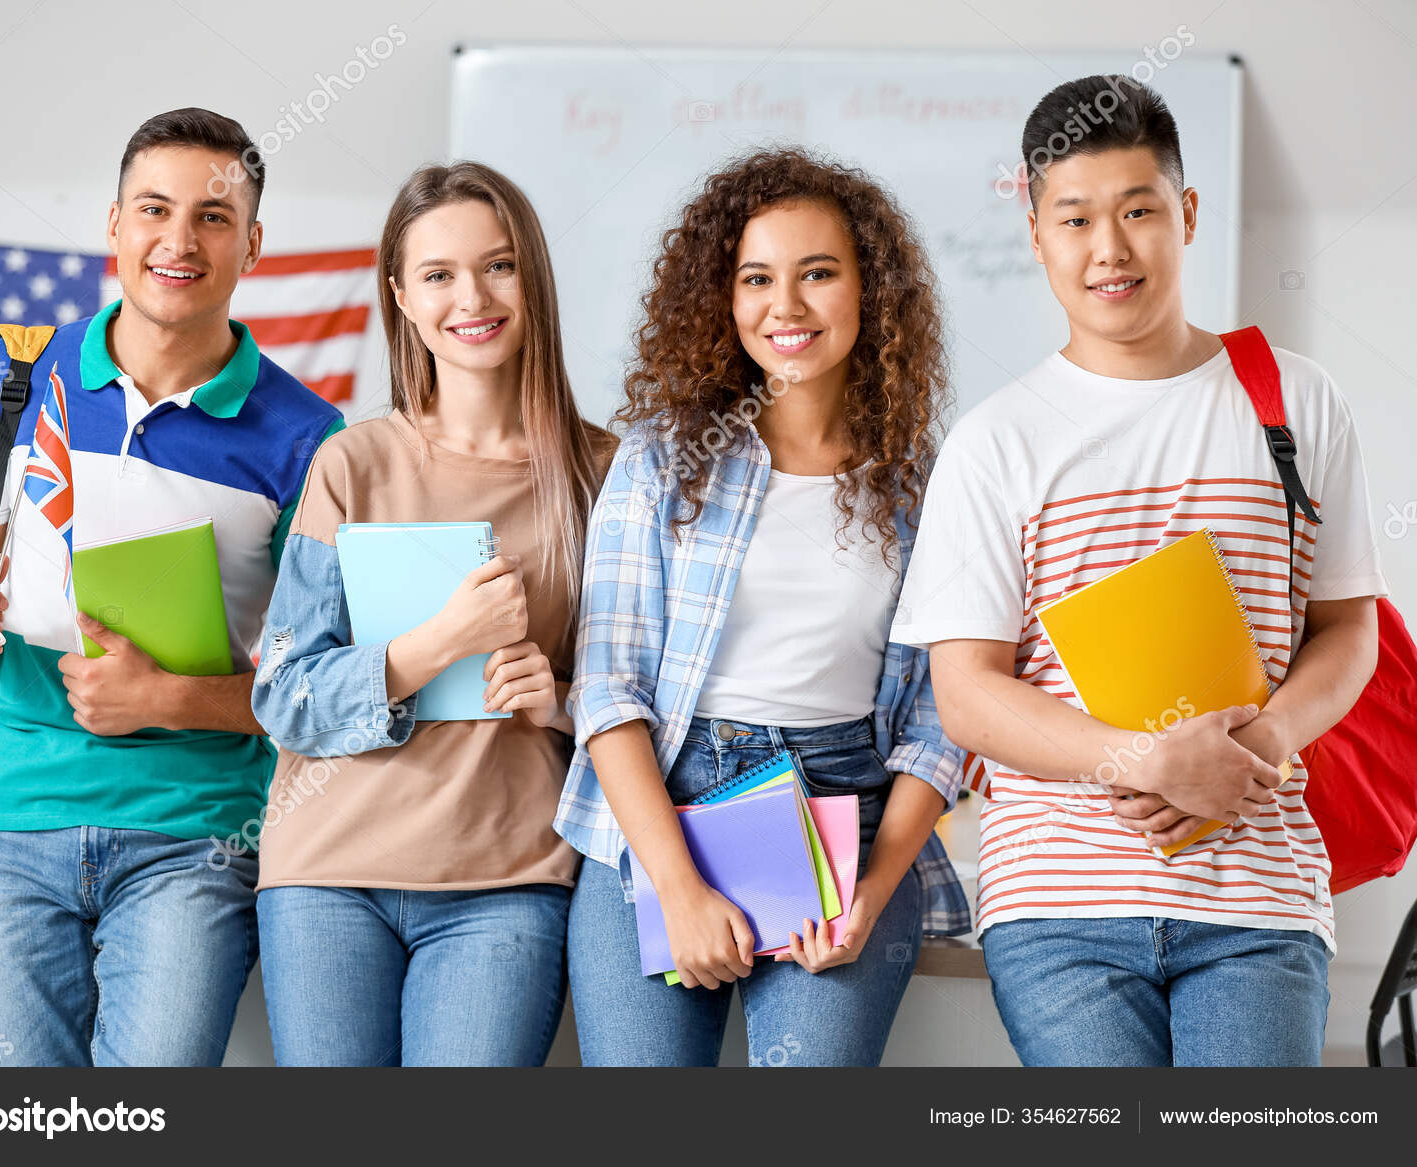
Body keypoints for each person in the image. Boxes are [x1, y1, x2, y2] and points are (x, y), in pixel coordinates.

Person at [892, 75, 1386, 1067]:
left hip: (1259, 894)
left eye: (1137, 211)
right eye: (1074, 219)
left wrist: (1261, 741)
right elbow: (968, 695)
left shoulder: (1295, 401)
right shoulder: (994, 442)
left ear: (1186, 214)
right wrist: (1146, 761)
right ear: (1037, 236)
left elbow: (1348, 630)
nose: (1108, 248)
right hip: (1059, 904)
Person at [0, 108, 345, 1066]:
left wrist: (168, 699)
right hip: (13, 809)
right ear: (115, 226)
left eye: (213, 216)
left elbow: (321, 688)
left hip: (195, 835)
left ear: (252, 245)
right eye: (154, 209)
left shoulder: (312, 440)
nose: (179, 240)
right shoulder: (21, 375)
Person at [556, 148, 970, 1067]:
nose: (786, 306)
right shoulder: (663, 456)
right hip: (661, 808)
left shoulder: (922, 485)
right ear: (723, 298)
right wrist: (678, 886)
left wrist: (869, 892)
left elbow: (939, 722)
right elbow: (609, 688)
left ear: (870, 290)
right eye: (756, 279)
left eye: (818, 273)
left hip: (845, 818)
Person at [250, 161, 614, 1066]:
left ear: (533, 277)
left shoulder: (606, 475)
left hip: (508, 879)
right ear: (402, 297)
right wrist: (438, 643)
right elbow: (284, 693)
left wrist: (560, 701)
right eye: (439, 274)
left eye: (499, 266)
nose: (473, 298)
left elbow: (649, 697)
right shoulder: (351, 464)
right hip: (328, 872)